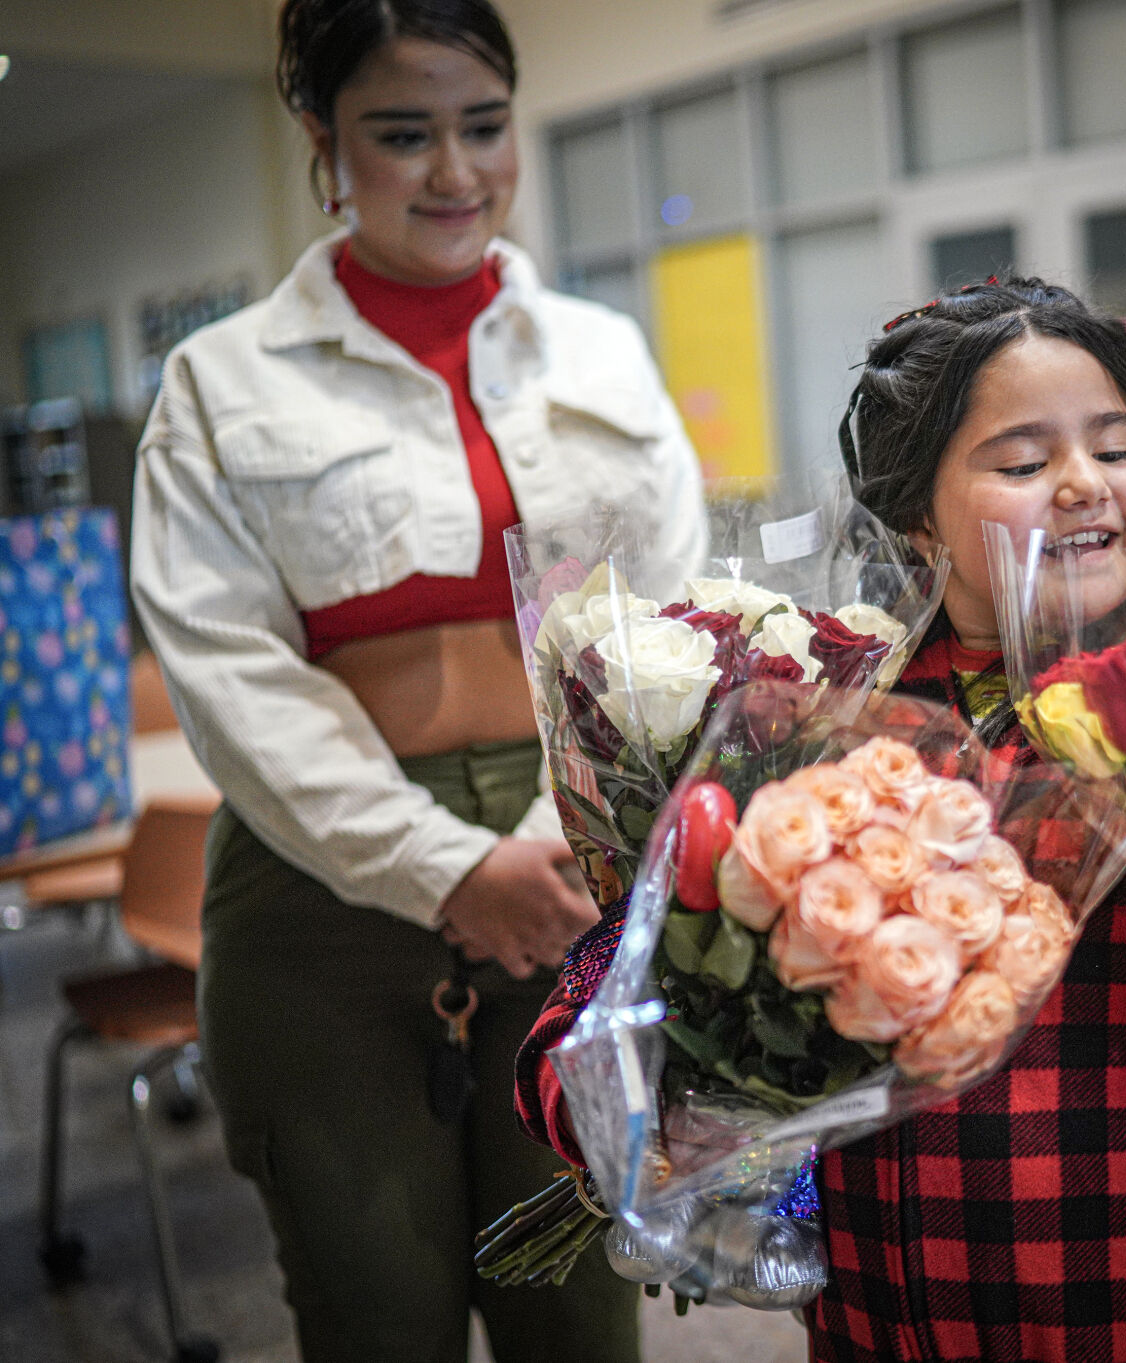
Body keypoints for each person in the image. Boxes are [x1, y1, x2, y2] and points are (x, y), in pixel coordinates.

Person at [514, 278, 1126, 1362]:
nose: (1081, 484)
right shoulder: (812, 714)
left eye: (1117, 448)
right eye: (1022, 464)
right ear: (914, 513)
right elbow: (604, 994)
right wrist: (637, 1107)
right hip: (896, 1327)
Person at [130, 2, 704, 1360]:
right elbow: (228, 667)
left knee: (581, 1307)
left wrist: (553, 840)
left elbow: (675, 621)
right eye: (402, 133)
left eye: (483, 125)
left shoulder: (602, 350)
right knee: (371, 1314)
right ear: (326, 144)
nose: (454, 171)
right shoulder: (221, 380)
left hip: (574, 853)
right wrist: (441, 865)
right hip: (322, 876)